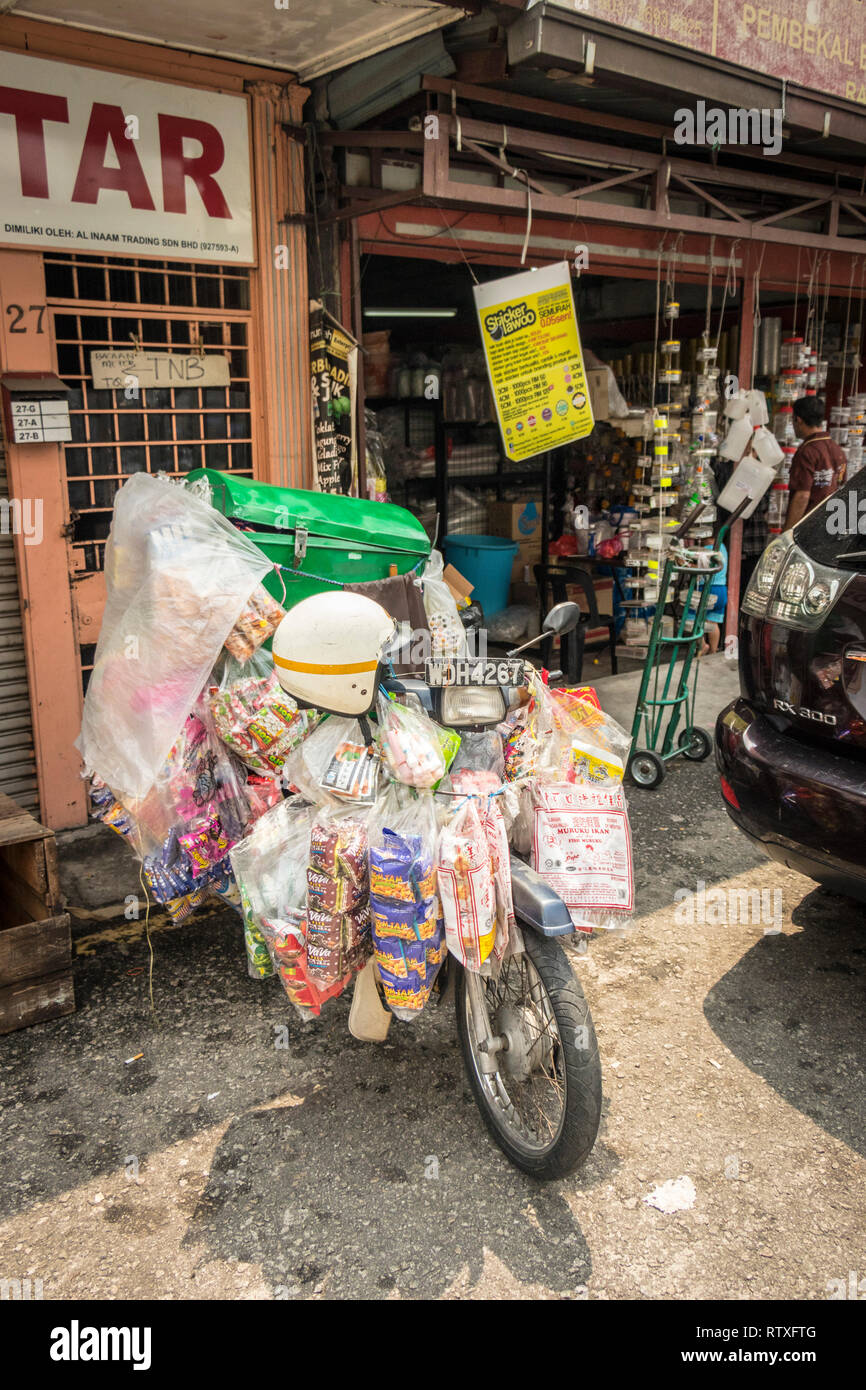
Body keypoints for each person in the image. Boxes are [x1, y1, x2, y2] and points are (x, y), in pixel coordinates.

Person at [784, 396, 847, 530]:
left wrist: (788, 533)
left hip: (808, 530)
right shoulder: (838, 451)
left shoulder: (807, 451)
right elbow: (842, 487)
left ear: (798, 420)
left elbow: (802, 495)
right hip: (831, 526)